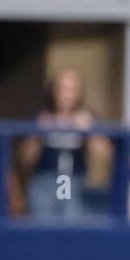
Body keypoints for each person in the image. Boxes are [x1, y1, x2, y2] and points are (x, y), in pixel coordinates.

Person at [18, 65, 110, 219]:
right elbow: (25, 159)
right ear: (53, 90)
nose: (65, 95)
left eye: (71, 89)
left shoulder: (87, 117)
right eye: (61, 89)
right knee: (42, 229)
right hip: (43, 180)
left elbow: (104, 154)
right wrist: (38, 135)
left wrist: (89, 132)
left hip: (72, 181)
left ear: (79, 93)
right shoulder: (40, 116)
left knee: (71, 226)